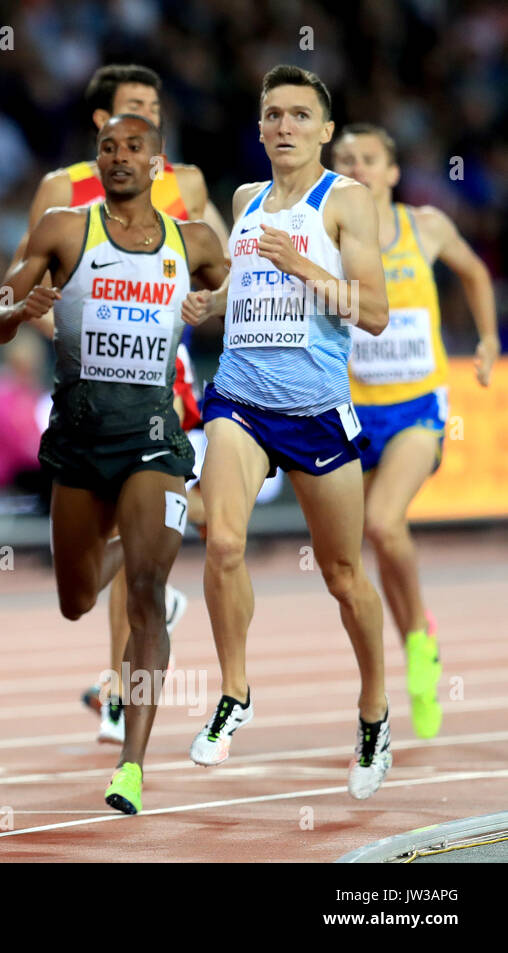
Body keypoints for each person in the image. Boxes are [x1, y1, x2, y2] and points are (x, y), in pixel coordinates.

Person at [0, 114, 228, 814]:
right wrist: (18, 307)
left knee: (148, 595)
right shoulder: (65, 228)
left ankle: (132, 765)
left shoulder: (195, 240)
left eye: (134, 149)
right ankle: (132, 542)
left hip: (155, 432)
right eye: (108, 148)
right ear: (98, 161)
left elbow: (231, 292)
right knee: (76, 598)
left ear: (159, 165)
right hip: (78, 433)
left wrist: (210, 303)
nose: (119, 157)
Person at [182, 66, 392, 798]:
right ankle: (234, 692)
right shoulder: (245, 199)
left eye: (300, 115)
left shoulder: (348, 201)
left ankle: (373, 710)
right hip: (239, 397)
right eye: (273, 114)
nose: (283, 126)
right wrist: (211, 302)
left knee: (343, 577)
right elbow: (244, 279)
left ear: (326, 131)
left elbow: (373, 313)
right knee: (224, 541)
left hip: (316, 412)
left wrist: (302, 264)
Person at [331, 124, 500, 738]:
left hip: (417, 410)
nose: (356, 168)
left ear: (392, 171)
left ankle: (419, 640)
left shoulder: (424, 226)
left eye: (368, 160)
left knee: (382, 521)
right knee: (370, 545)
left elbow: (475, 273)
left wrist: (485, 340)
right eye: (344, 160)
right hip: (351, 411)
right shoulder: (328, 232)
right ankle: (418, 641)